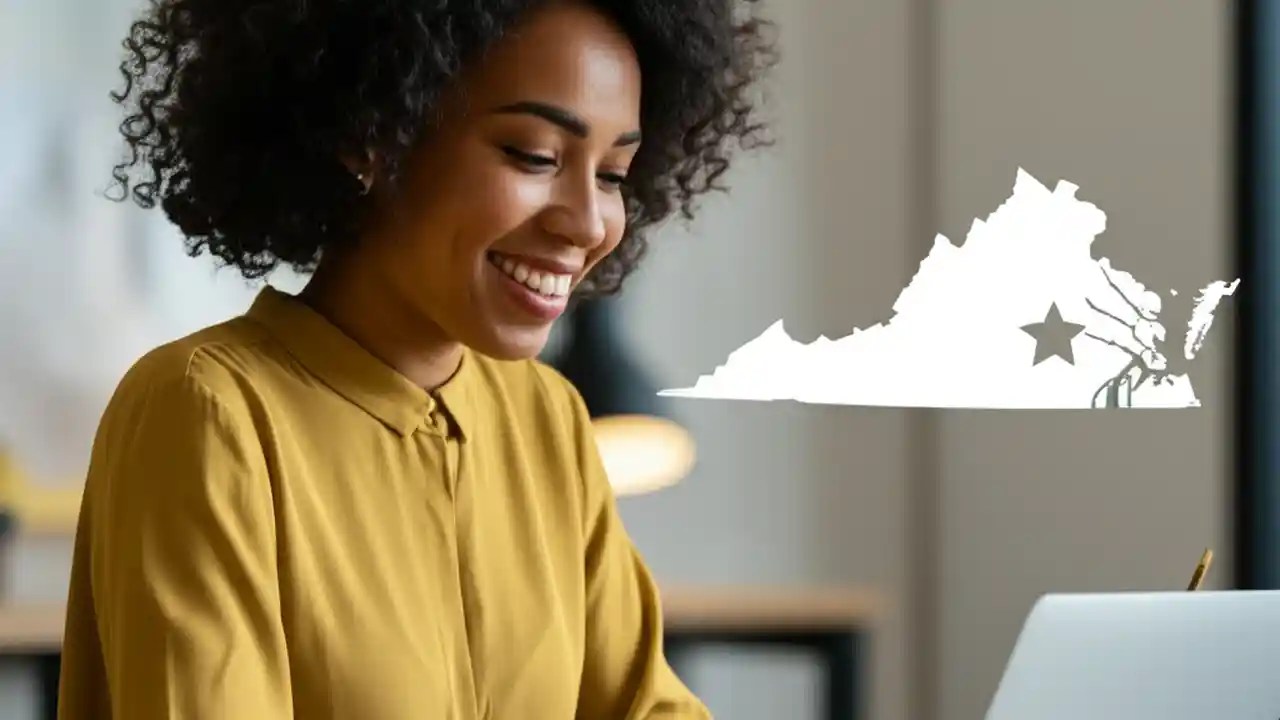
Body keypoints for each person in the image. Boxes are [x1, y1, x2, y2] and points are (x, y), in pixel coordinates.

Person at [56, 0, 777, 718]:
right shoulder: (209, 414)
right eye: (534, 156)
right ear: (371, 136)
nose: (587, 223)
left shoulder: (546, 418)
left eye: (614, 174)